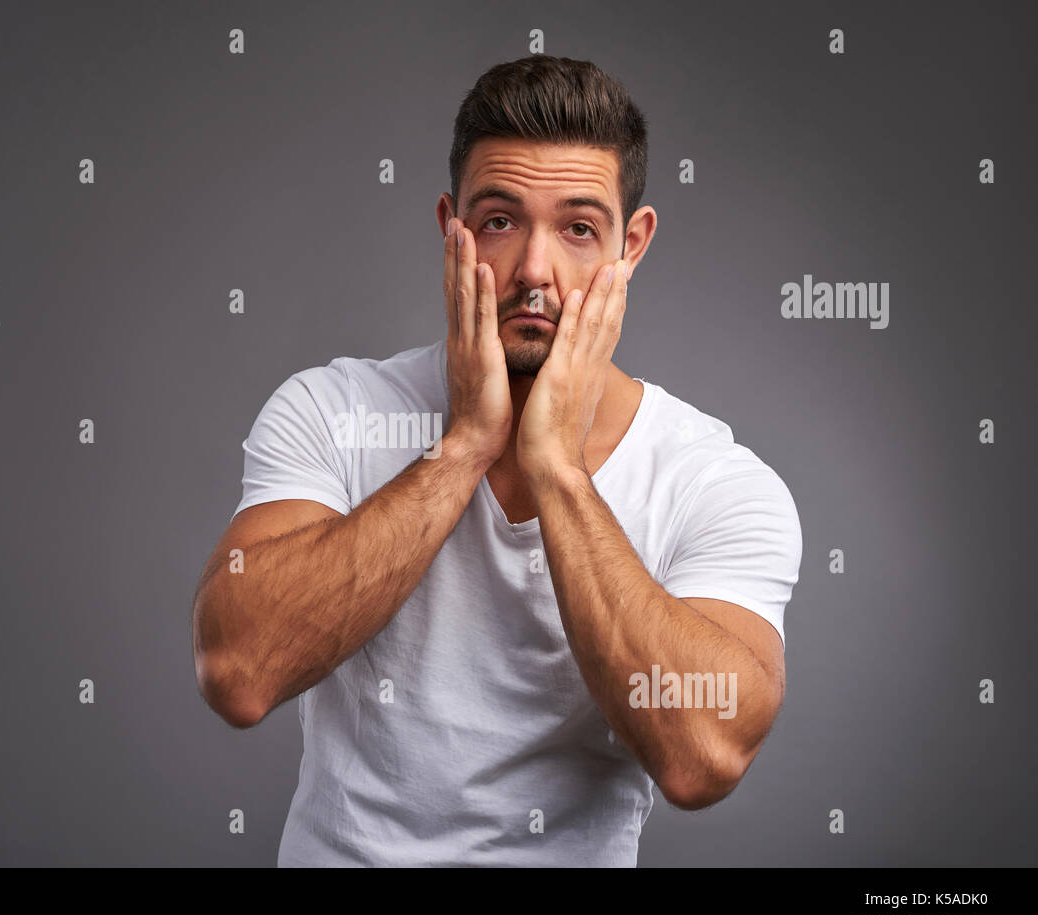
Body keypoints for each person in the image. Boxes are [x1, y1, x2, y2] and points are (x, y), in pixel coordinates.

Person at [191, 54, 803, 866]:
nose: (535, 273)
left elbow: (704, 758)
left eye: (580, 227)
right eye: (501, 221)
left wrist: (557, 471)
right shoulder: (332, 410)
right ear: (453, 227)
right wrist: (464, 448)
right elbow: (237, 672)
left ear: (634, 243)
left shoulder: (716, 482)